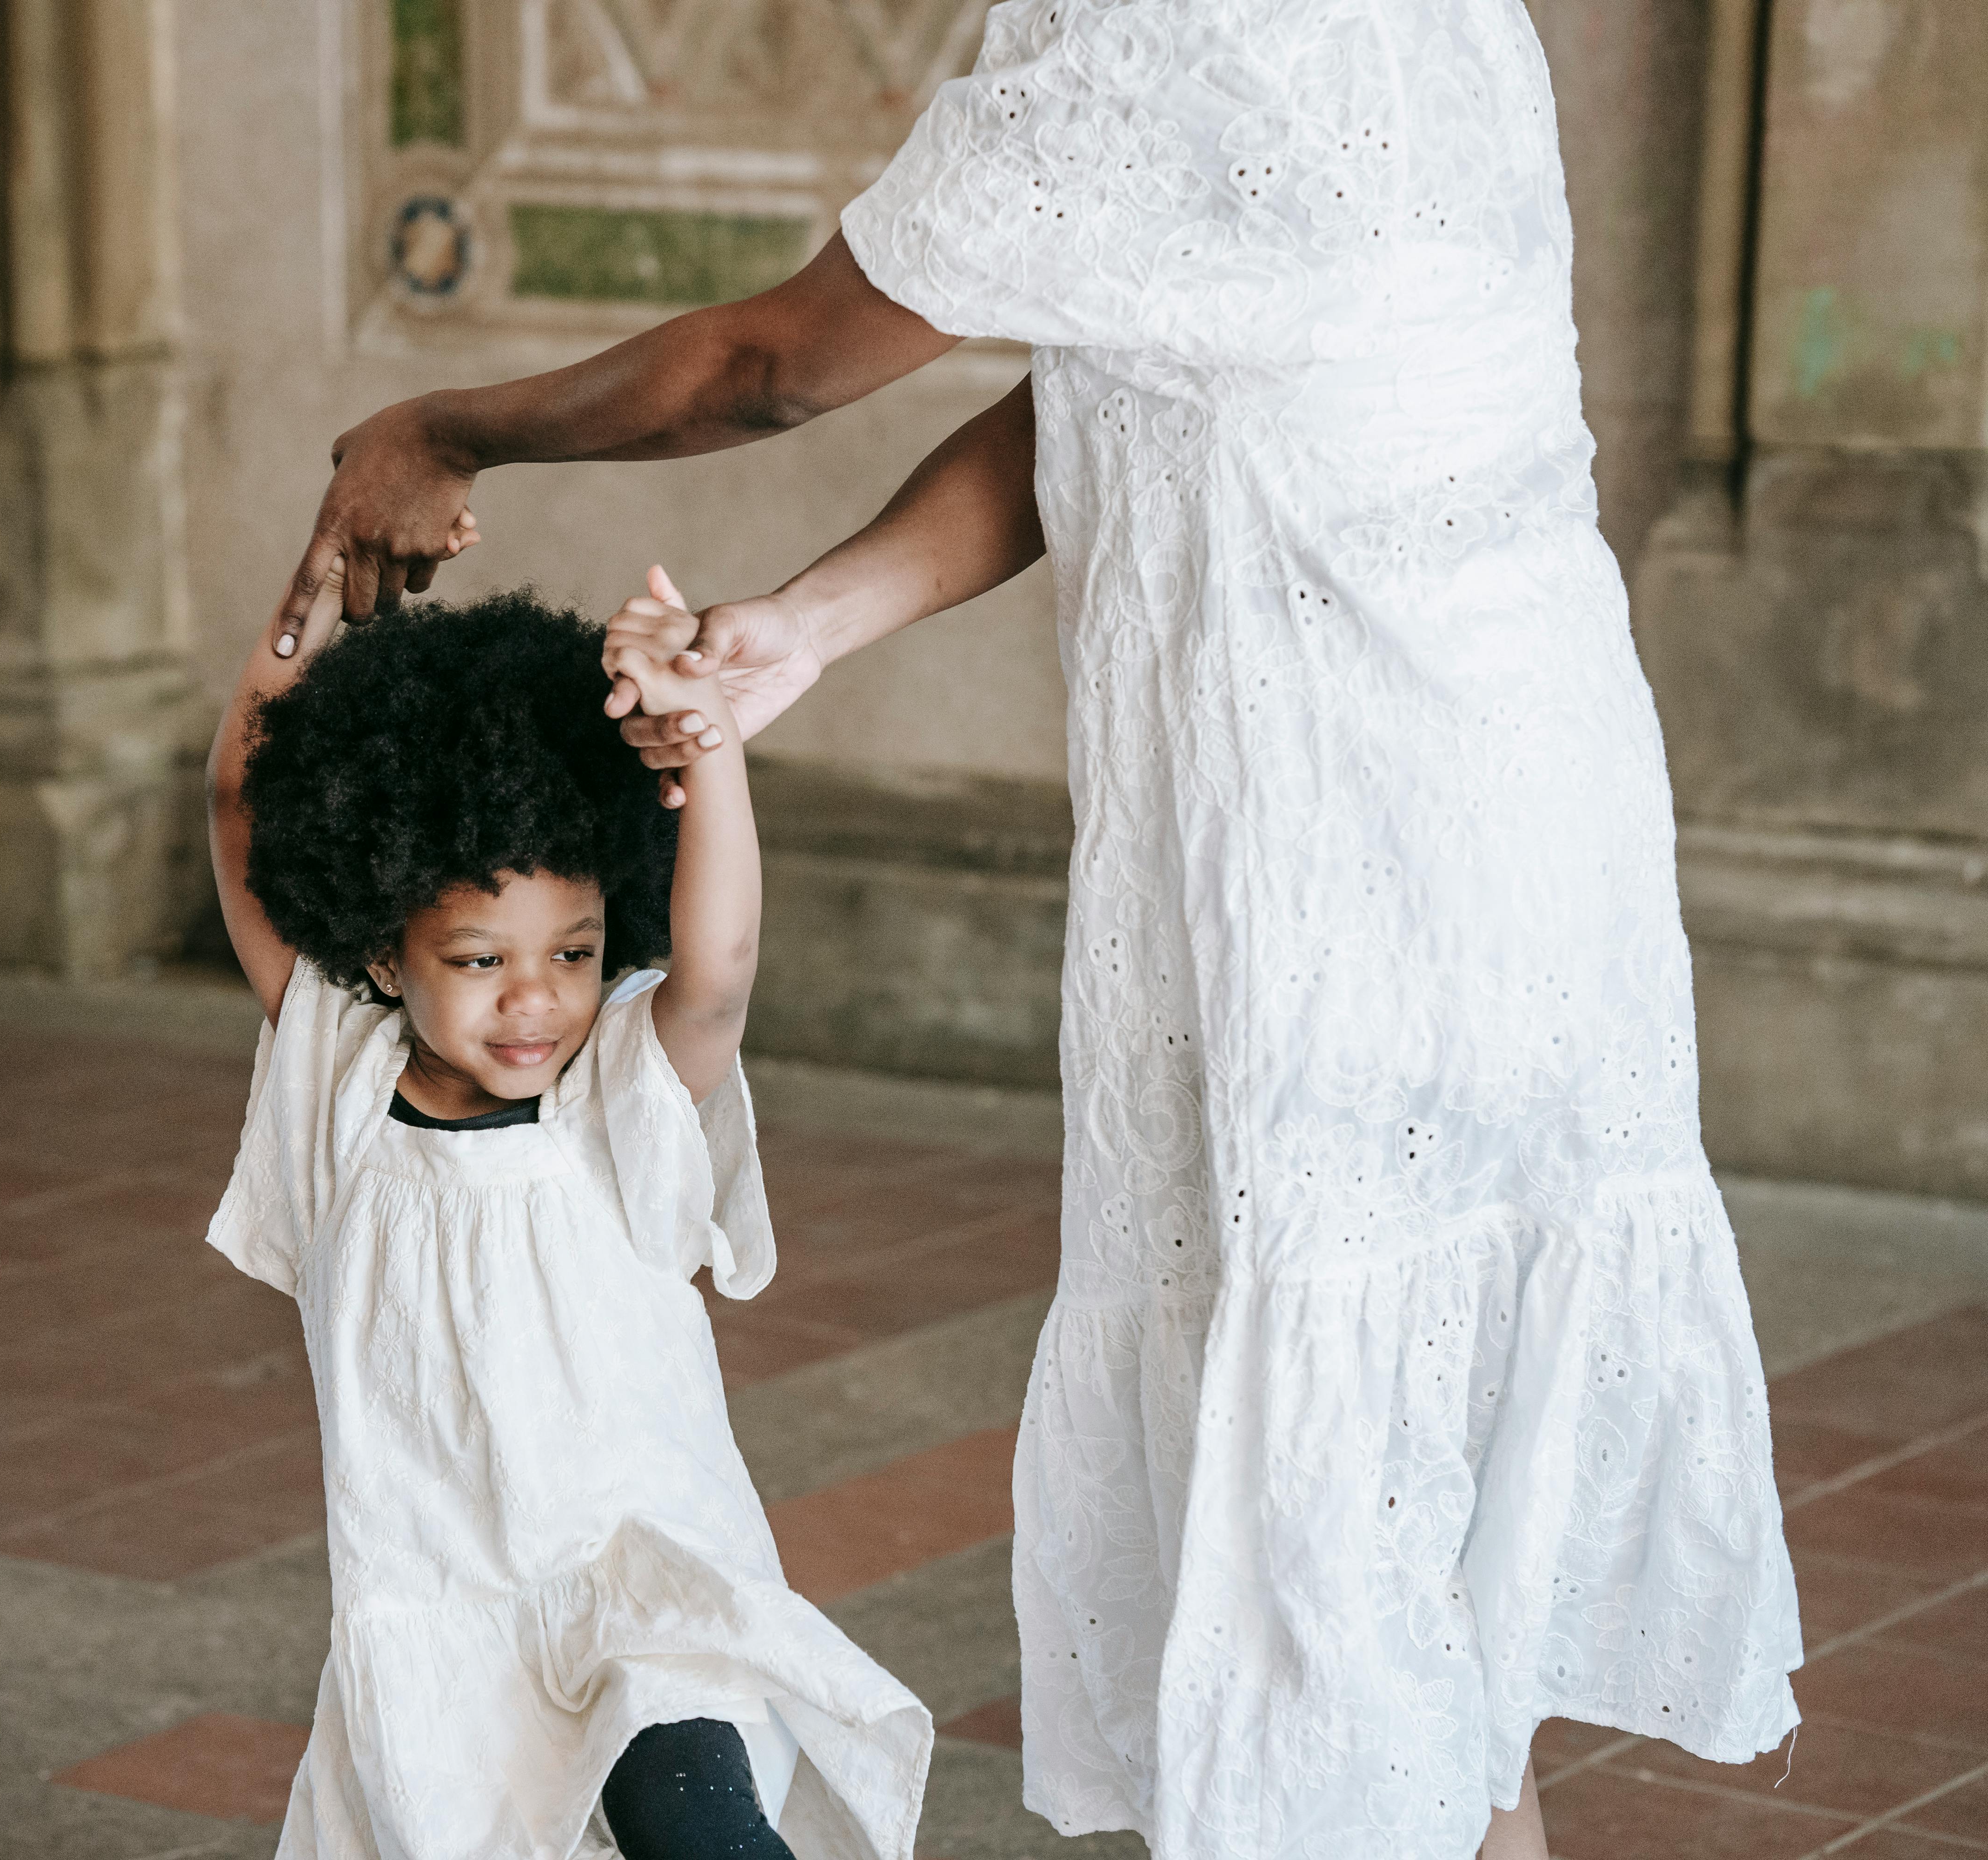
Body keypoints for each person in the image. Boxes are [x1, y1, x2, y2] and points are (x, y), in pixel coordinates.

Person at [275, 5, 1804, 1859]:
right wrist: (818, 620)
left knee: (1327, 1592)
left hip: (1343, 873)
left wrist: (447, 427)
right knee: (1403, 1570)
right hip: (1533, 842)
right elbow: (1128, 363)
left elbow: (768, 363)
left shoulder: (1160, 28)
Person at [203, 559, 933, 1860]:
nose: (535, 1000)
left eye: (575, 954)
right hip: (439, 1611)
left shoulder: (621, 1099)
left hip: (639, 1590)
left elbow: (718, 972)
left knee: (704, 1831)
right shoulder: (336, 1081)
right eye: (481, 961)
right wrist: (309, 605)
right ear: (379, 949)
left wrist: (705, 741)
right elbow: (234, 805)